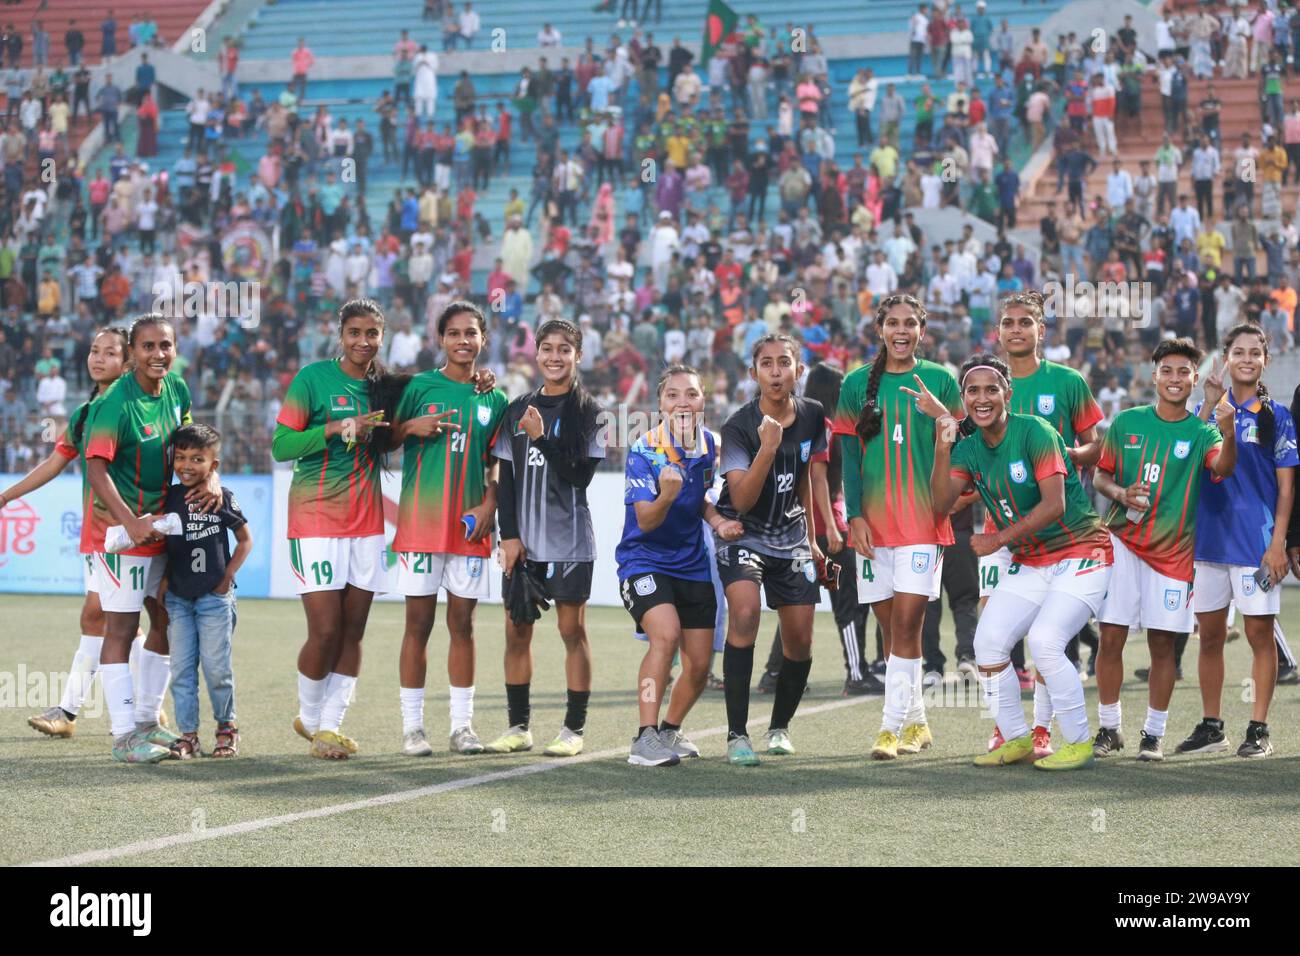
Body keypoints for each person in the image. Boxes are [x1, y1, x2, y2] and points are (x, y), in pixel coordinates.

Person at [911, 353, 1112, 771]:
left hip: (1082, 550)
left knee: (1044, 643)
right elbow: (941, 504)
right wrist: (941, 446)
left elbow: (1055, 505)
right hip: (1033, 559)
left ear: (1008, 393)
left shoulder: (1034, 431)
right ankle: (1017, 739)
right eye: (972, 391)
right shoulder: (966, 448)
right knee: (987, 643)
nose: (981, 398)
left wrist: (998, 539)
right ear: (963, 399)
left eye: (991, 389)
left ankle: (1078, 742)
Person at [1090, 339, 1234, 761]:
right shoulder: (1126, 422)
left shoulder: (1203, 430)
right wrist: (1120, 492)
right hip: (1122, 545)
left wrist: (1227, 431)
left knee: (1162, 646)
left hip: (1172, 558)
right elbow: (1101, 477)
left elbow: (1223, 467)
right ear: (1153, 376)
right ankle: (1109, 727)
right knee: (1110, 636)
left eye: (1183, 372)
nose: (1175, 379)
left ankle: (1153, 735)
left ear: (1194, 379)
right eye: (1167, 371)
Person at [273, 299, 402, 760]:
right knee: (326, 630)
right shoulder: (312, 379)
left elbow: (438, 388)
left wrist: (482, 379)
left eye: (372, 334)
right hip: (316, 519)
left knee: (354, 631)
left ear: (382, 337)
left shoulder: (385, 387)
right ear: (340, 334)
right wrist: (336, 428)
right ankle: (309, 718)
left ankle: (330, 727)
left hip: (366, 524)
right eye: (354, 333)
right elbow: (281, 445)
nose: (363, 342)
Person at [835, 294, 960, 760]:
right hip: (873, 528)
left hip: (925, 524)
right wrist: (854, 517)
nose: (901, 330)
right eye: (893, 323)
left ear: (922, 331)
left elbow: (965, 446)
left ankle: (888, 729)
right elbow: (849, 456)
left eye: (910, 323)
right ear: (880, 329)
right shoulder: (854, 385)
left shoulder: (942, 381)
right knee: (893, 632)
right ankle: (920, 724)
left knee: (909, 624)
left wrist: (943, 418)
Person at [982, 291, 1104, 753]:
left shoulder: (1069, 381)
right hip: (1004, 528)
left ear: (1040, 331)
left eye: (1025, 323)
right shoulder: (983, 385)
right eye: (1008, 323)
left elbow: (1097, 446)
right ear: (998, 332)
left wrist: (1064, 456)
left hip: (1061, 527)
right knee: (999, 626)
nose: (1016, 330)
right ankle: (1006, 726)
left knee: (1055, 635)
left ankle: (1044, 728)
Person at [391, 300, 507, 756]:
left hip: (469, 528)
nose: (463, 340)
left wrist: (489, 505)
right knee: (417, 625)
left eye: (471, 333)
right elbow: (384, 436)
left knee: (464, 624)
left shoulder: (493, 398)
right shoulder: (418, 387)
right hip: (421, 525)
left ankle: (462, 727)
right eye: (454, 333)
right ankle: (413, 729)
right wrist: (408, 428)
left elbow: (498, 463)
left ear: (483, 340)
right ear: (440, 339)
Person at [484, 320, 605, 757]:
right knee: (516, 633)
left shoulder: (591, 413)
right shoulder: (516, 409)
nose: (555, 356)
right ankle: (518, 727)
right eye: (547, 348)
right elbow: (507, 479)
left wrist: (542, 439)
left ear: (578, 356)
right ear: (536, 353)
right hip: (524, 547)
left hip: (570, 544)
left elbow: (579, 477)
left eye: (565, 350)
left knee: (572, 631)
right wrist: (509, 536)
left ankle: (573, 731)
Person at [5, 328, 131, 738]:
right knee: (117, 618)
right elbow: (54, 463)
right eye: (95, 350)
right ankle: (144, 705)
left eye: (110, 353)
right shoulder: (84, 413)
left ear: (127, 362)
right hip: (102, 536)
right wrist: (6, 496)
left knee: (106, 617)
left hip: (133, 533)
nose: (99, 358)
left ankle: (72, 713)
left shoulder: (133, 404)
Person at [83, 316, 197, 763]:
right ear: (132, 351)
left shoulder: (177, 389)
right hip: (119, 533)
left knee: (167, 618)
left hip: (161, 530)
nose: (158, 354)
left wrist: (207, 479)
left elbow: (189, 440)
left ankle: (148, 720)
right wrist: (130, 521)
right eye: (147, 346)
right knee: (122, 627)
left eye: (165, 345)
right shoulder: (114, 403)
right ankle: (123, 734)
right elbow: (96, 469)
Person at [1180, 324, 1297, 758]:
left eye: (1254, 353)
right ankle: (1213, 727)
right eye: (1238, 352)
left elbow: (1287, 489)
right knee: (1209, 636)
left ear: (1265, 360)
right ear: (1226, 358)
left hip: (1256, 545)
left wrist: (1278, 543)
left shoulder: (1279, 416)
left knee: (1258, 636)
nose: (1246, 358)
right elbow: (1186, 463)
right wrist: (1209, 403)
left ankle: (1259, 728)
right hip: (1209, 543)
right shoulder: (1204, 411)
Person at [712, 335, 826, 765]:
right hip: (744, 533)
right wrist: (768, 449)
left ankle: (779, 728)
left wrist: (813, 539)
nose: (776, 372)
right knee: (743, 613)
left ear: (799, 370)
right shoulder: (738, 426)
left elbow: (803, 480)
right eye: (767, 364)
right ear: (753, 373)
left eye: (785, 363)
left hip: (792, 536)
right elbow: (740, 500)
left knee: (800, 640)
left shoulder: (813, 414)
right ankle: (736, 735)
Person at [619, 365, 741, 766]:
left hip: (691, 565)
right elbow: (647, 521)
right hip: (643, 563)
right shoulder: (643, 451)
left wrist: (718, 521)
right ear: (660, 404)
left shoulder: (709, 444)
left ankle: (671, 729)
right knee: (665, 636)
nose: (682, 402)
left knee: (701, 666)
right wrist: (667, 495)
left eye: (690, 394)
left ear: (703, 400)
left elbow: (702, 497)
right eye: (673, 395)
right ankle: (645, 737)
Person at [161, 424, 253, 759]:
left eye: (197, 459)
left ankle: (226, 728)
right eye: (181, 457)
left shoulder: (221, 496)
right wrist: (165, 580)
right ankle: (188, 736)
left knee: (216, 668)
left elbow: (245, 540)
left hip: (214, 599)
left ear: (212, 465)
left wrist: (227, 576)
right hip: (179, 600)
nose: (187, 465)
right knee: (182, 671)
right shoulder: (168, 497)